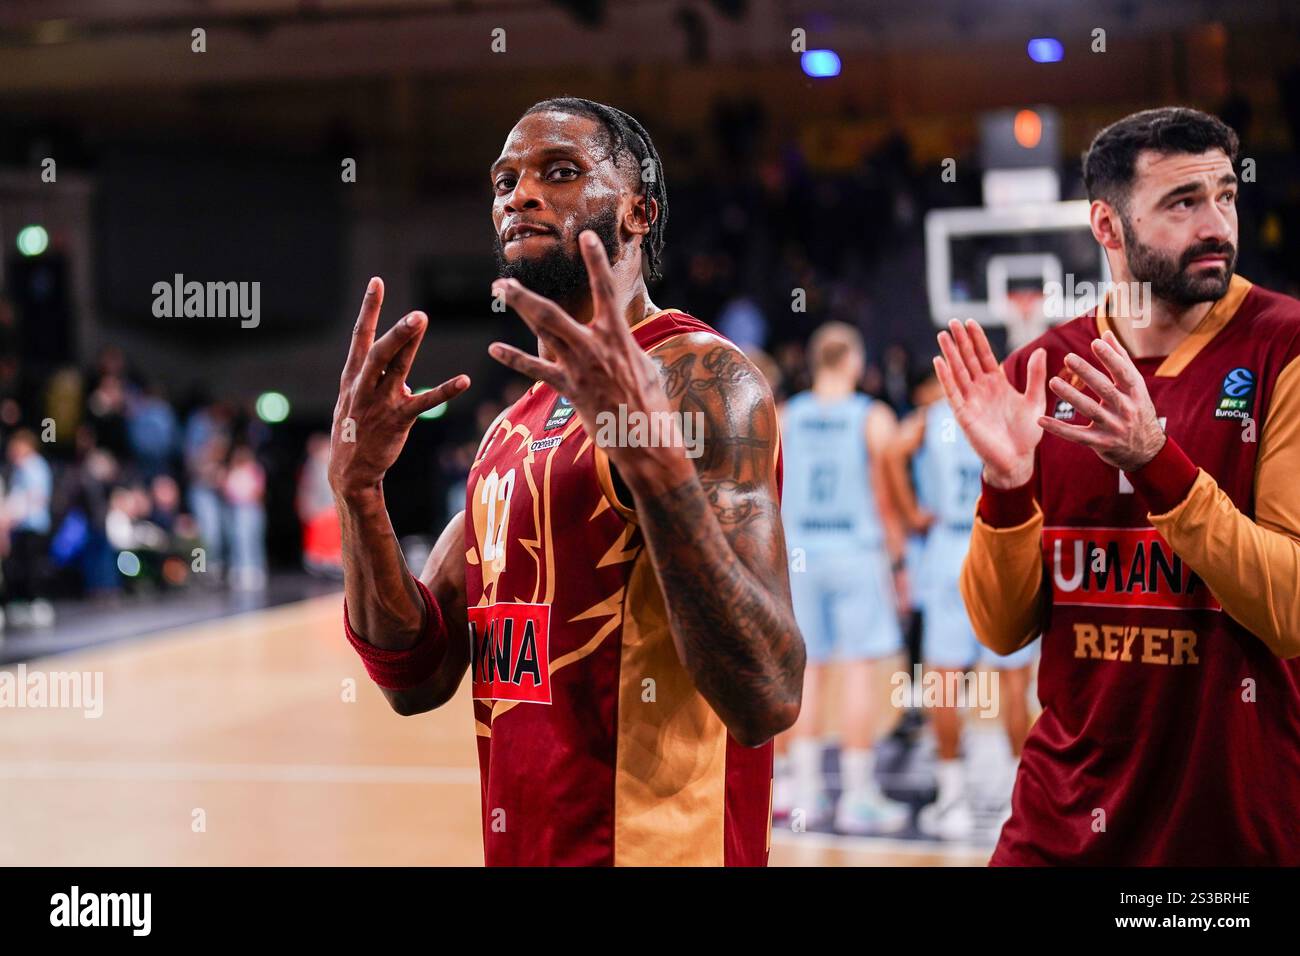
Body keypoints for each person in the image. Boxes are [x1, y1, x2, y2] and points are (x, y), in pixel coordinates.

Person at [332, 97, 805, 866]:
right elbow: (415, 674)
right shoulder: (509, 430)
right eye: (504, 180)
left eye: (559, 172)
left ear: (638, 212)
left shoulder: (703, 380)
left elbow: (768, 695)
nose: (519, 194)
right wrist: (358, 496)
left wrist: (656, 474)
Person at [936, 106, 1300, 864]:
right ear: (1106, 226)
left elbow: (1292, 612)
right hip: (1057, 825)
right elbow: (1004, 629)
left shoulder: (1282, 347)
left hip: (1231, 835)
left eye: (1226, 195)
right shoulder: (1043, 371)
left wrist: (1156, 461)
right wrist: (1007, 485)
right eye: (1182, 203)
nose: (1217, 225)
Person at [884, 368, 1034, 840]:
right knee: (1013, 686)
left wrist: (910, 514)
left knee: (943, 681)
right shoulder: (1007, 416)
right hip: (999, 546)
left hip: (948, 549)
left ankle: (952, 800)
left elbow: (891, 453)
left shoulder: (930, 418)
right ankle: (1021, 798)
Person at [773, 321, 911, 834]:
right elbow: (885, 496)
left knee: (807, 674)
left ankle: (806, 791)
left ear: (814, 362)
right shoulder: (872, 418)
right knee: (857, 672)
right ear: (853, 361)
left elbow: (769, 490)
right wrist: (898, 563)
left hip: (800, 555)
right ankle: (857, 796)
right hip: (855, 552)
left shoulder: (785, 416)